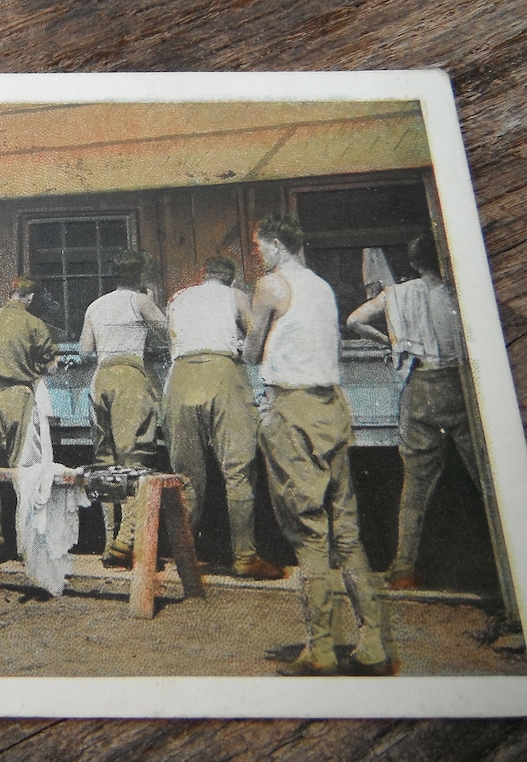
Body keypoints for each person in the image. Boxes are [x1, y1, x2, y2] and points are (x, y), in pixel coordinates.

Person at [243, 213, 393, 676]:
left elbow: (250, 350)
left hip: (293, 411)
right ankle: (373, 643)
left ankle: (321, 649)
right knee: (346, 531)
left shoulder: (271, 285)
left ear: (275, 244)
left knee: (308, 531)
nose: (258, 254)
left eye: (260, 245)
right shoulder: (323, 287)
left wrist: (248, 341)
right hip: (332, 408)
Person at [347, 233, 482, 590]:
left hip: (420, 386)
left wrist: (391, 344)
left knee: (416, 485)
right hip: (459, 385)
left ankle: (404, 567)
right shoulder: (458, 292)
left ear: (413, 263)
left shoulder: (396, 294)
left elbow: (354, 321)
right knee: (485, 475)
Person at [162, 255, 285, 580]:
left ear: (204, 275)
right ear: (230, 278)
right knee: (238, 469)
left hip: (181, 377)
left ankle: (183, 558)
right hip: (223, 374)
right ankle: (245, 556)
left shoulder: (178, 298)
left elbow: (171, 339)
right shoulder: (236, 295)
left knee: (187, 475)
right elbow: (254, 337)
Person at [78, 250, 168, 568]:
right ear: (138, 275)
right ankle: (126, 540)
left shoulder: (95, 305)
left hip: (101, 379)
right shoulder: (140, 301)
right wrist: (152, 301)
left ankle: (109, 541)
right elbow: (169, 334)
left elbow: (85, 349)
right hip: (129, 376)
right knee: (134, 459)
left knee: (106, 462)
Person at [0, 275, 59, 560]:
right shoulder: (34, 324)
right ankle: (27, 544)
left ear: (10, 293)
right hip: (17, 398)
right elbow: (51, 365)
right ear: (30, 297)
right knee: (26, 473)